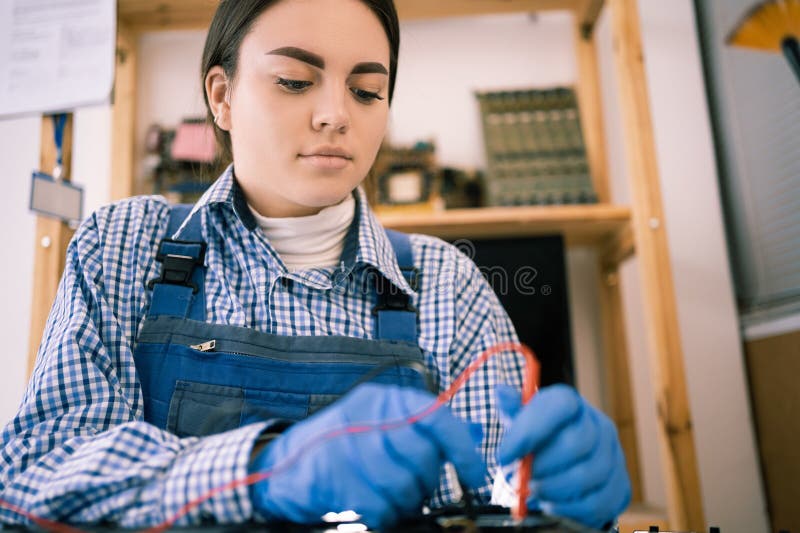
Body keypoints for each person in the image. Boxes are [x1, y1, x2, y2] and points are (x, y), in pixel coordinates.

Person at [0, 0, 630, 530]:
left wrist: (560, 500)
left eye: (367, 90)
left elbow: (499, 496)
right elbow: (30, 479)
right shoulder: (121, 247)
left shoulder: (448, 285)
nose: (336, 114)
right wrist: (265, 468)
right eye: (295, 81)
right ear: (220, 96)